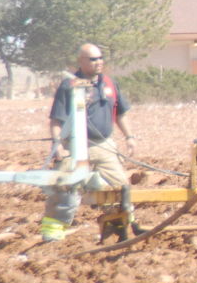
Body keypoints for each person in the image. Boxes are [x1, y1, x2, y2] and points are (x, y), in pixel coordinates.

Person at [40, 43, 137, 241]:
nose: (98, 62)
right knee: (65, 187)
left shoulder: (109, 83)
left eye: (100, 58)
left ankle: (120, 224)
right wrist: (57, 144)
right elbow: (56, 119)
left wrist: (129, 137)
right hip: (76, 146)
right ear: (81, 61)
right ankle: (53, 231)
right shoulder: (69, 85)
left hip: (103, 146)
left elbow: (120, 114)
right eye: (93, 59)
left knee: (121, 187)